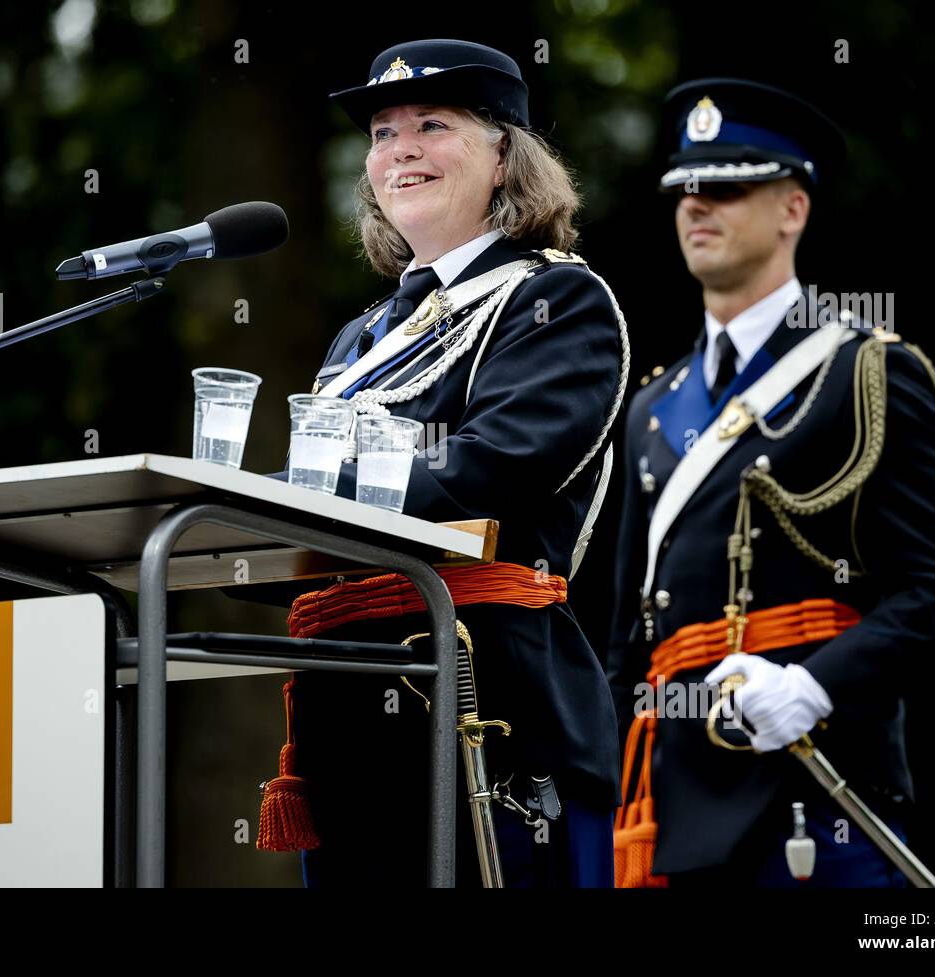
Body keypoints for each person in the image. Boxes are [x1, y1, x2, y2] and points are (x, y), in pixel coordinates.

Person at [255, 39, 630, 888]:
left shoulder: (553, 297)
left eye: (433, 124)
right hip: (344, 719)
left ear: (507, 158)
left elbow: (490, 468)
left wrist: (276, 499)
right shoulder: (360, 338)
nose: (401, 150)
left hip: (486, 703)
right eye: (383, 134)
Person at [605, 79, 935, 887]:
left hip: (814, 785)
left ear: (792, 209)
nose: (697, 206)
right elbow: (627, 641)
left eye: (726, 188)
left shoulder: (866, 371)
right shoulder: (653, 409)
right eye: (684, 191)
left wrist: (814, 683)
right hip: (673, 803)